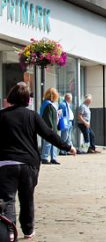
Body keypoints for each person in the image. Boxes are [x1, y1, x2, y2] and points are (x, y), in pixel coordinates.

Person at [0, 82, 76, 238]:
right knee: (27, 198)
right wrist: (67, 147)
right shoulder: (32, 115)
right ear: (28, 99)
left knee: (8, 199)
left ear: (11, 97)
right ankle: (28, 230)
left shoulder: (2, 115)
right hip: (29, 164)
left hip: (6, 164)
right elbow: (49, 134)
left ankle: (9, 233)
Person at [40, 88, 61, 165]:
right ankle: (44, 158)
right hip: (49, 127)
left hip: (52, 126)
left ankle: (53, 158)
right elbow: (47, 117)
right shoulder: (48, 105)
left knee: (53, 142)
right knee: (48, 142)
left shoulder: (49, 104)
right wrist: (50, 127)